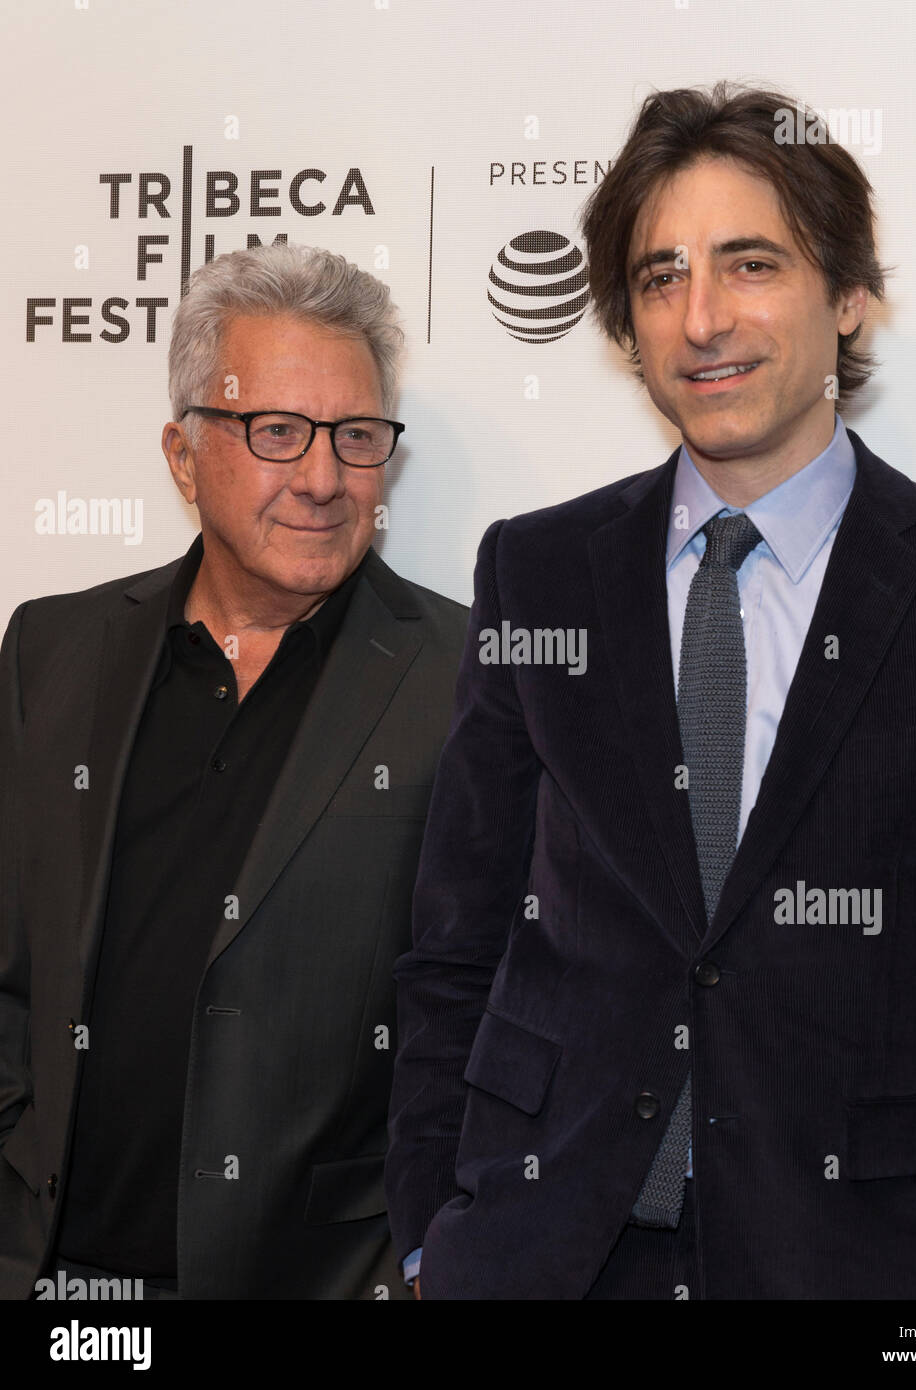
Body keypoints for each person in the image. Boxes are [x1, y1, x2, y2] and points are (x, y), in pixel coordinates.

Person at [385, 83, 916, 1300]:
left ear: (846, 293)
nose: (701, 318)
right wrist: (436, 1238)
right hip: (543, 1254)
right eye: (658, 278)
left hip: (850, 1263)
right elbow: (456, 942)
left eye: (749, 263)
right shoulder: (535, 570)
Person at [0, 243, 467, 1299]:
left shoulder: (466, 683)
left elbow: (492, 1016)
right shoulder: (52, 653)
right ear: (181, 452)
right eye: (274, 432)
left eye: (355, 437)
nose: (320, 477)